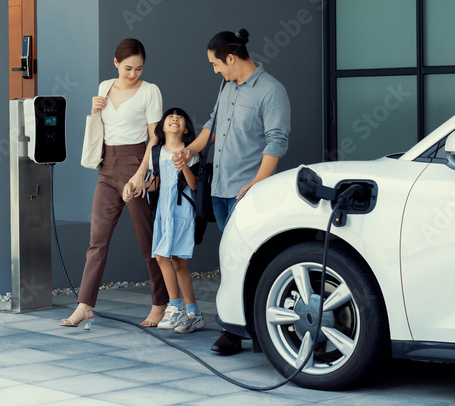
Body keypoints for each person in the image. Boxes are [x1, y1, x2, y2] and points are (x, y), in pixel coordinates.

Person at [174, 29, 290, 352]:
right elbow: (213, 124)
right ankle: (239, 327)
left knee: (251, 261)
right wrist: (190, 150)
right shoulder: (227, 86)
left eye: (215, 64)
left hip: (248, 193)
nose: (215, 71)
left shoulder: (272, 91)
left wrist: (258, 183)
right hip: (220, 191)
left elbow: (277, 140)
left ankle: (246, 331)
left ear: (230, 58)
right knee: (231, 261)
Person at [61, 38, 168, 329]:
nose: (133, 74)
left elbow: (155, 138)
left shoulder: (150, 91)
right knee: (97, 240)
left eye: (139, 68)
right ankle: (85, 305)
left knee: (147, 241)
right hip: (107, 168)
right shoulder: (104, 87)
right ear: (116, 63)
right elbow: (100, 128)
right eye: (128, 68)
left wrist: (141, 174)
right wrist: (94, 110)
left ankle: (160, 304)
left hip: (136, 164)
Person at [125, 108, 206, 334]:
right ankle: (192, 313)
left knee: (175, 260)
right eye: (170, 116)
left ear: (186, 128)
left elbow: (194, 185)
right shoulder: (156, 152)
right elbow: (154, 183)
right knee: (167, 259)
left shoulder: (190, 152)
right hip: (163, 211)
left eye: (180, 117)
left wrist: (184, 165)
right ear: (162, 126)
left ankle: (178, 308)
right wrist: (136, 188)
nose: (175, 118)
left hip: (182, 211)